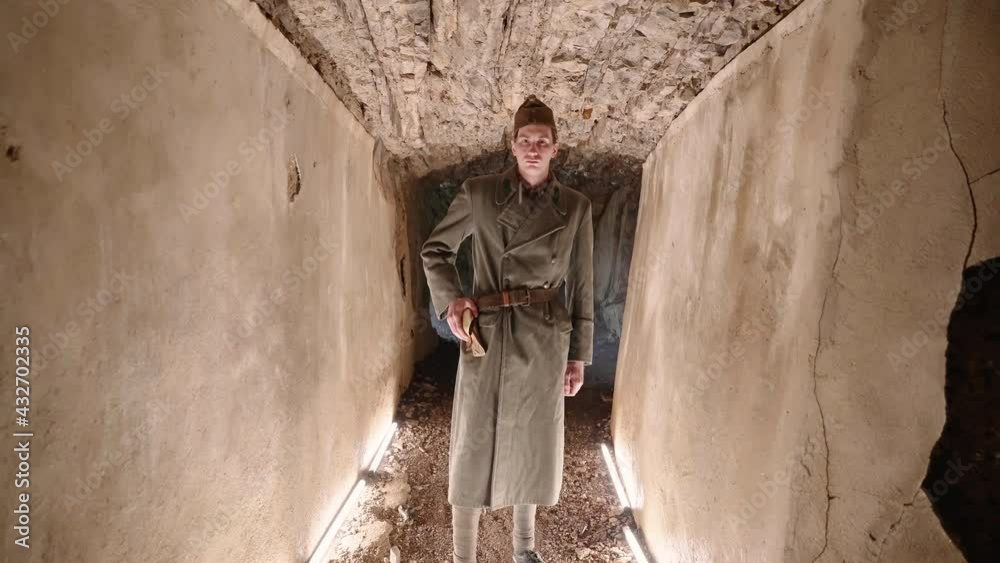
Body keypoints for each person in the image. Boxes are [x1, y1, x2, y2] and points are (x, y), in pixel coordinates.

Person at [421, 95, 595, 563]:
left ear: (556, 148)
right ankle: (463, 557)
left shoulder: (576, 207)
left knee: (533, 443)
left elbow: (581, 282)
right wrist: (452, 298)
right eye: (525, 141)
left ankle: (524, 550)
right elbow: (435, 250)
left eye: (542, 142)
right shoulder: (479, 194)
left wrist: (578, 355)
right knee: (471, 445)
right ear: (512, 146)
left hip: (545, 337)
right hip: (489, 335)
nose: (533, 149)